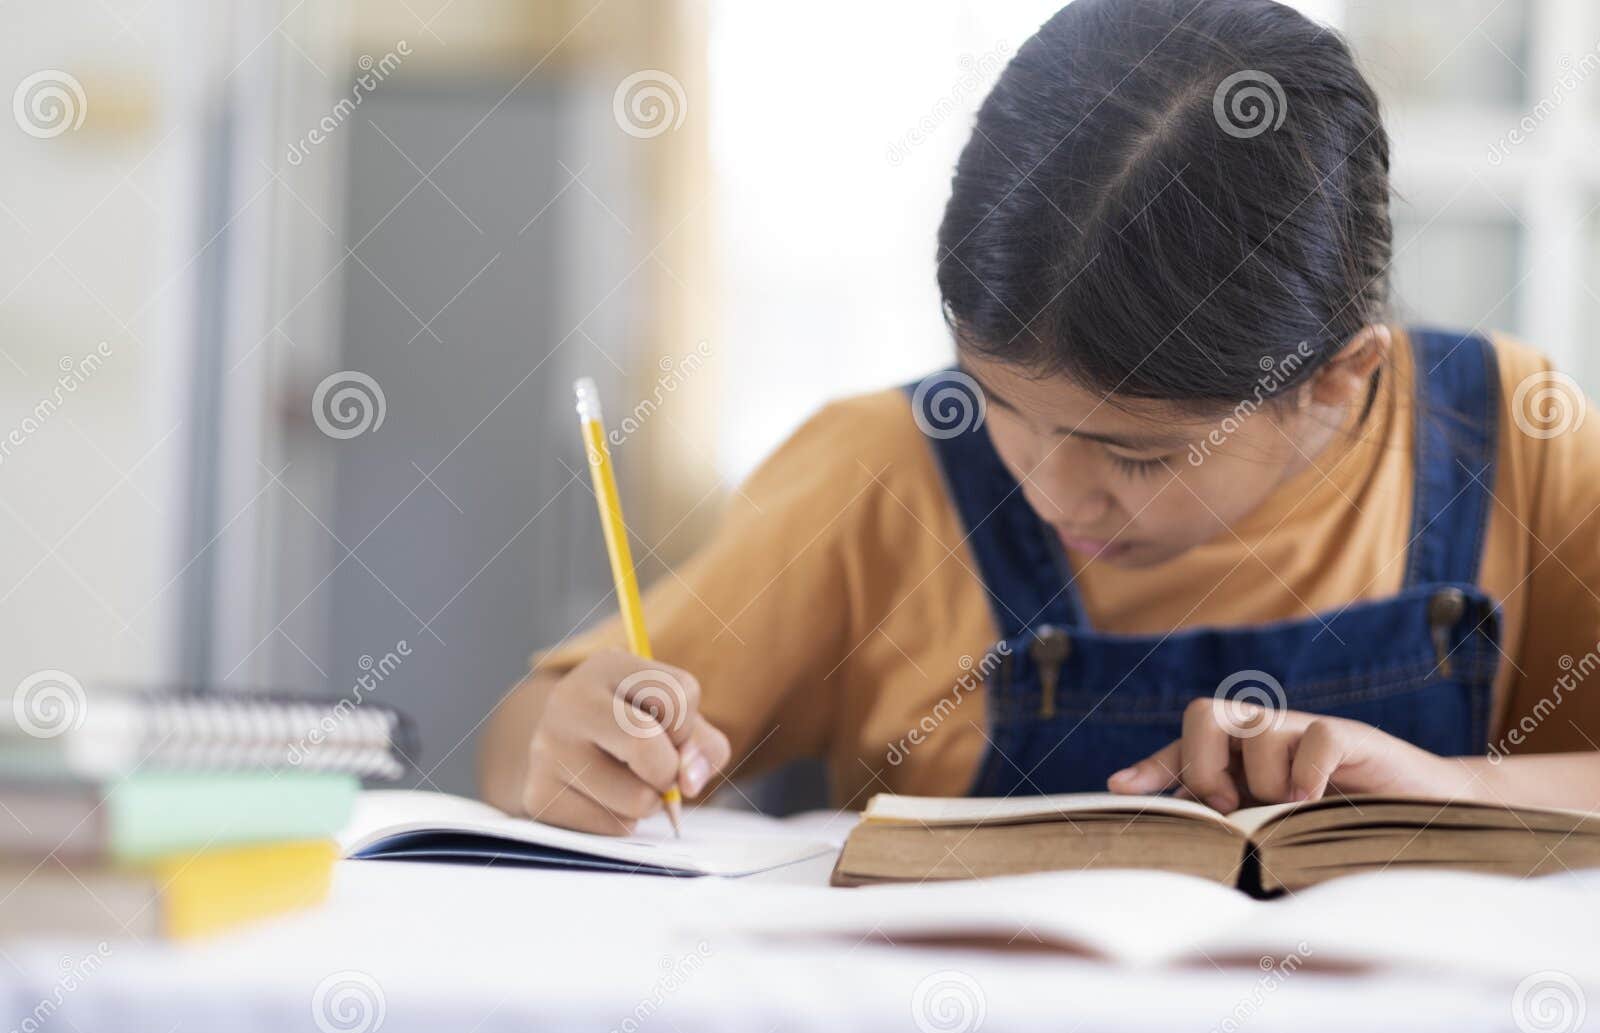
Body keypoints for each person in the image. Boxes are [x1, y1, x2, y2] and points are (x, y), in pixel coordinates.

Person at [480, 0, 1600, 833]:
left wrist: (1461, 788)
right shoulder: (879, 472)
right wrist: (575, 743)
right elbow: (532, 737)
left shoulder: (1511, 434)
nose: (1052, 489)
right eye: (1006, 408)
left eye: (1134, 451)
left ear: (1340, 378)